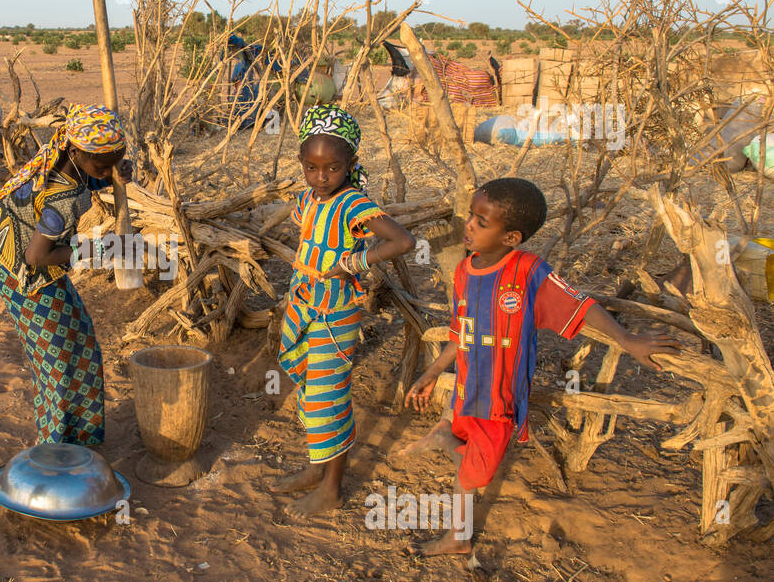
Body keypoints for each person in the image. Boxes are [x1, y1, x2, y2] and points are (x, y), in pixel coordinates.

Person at [401, 177, 681, 555]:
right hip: (468, 391)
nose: (468, 225)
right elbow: (459, 334)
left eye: (482, 222)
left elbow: (582, 306)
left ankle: (456, 531)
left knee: (473, 474)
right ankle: (456, 510)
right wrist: (433, 373)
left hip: (499, 400)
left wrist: (627, 339)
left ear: (512, 237)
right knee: (469, 468)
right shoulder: (466, 271)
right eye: (471, 216)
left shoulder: (529, 273)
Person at [269, 105, 416, 517]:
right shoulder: (308, 198)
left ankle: (332, 488)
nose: (321, 177)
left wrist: (353, 263)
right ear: (301, 163)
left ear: (350, 164)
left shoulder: (353, 204)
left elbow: (402, 241)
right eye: (312, 167)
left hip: (334, 312)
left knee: (327, 398)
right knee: (310, 388)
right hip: (304, 302)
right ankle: (318, 471)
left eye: (332, 168)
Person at [0, 103, 132, 446]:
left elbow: (95, 175)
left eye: (115, 159)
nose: (109, 169)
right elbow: (37, 256)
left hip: (28, 256)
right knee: (59, 358)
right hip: (23, 272)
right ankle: (57, 448)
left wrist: (116, 172)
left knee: (81, 341)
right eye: (104, 164)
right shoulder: (60, 199)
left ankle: (81, 438)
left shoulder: (66, 155)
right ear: (78, 152)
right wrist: (98, 252)